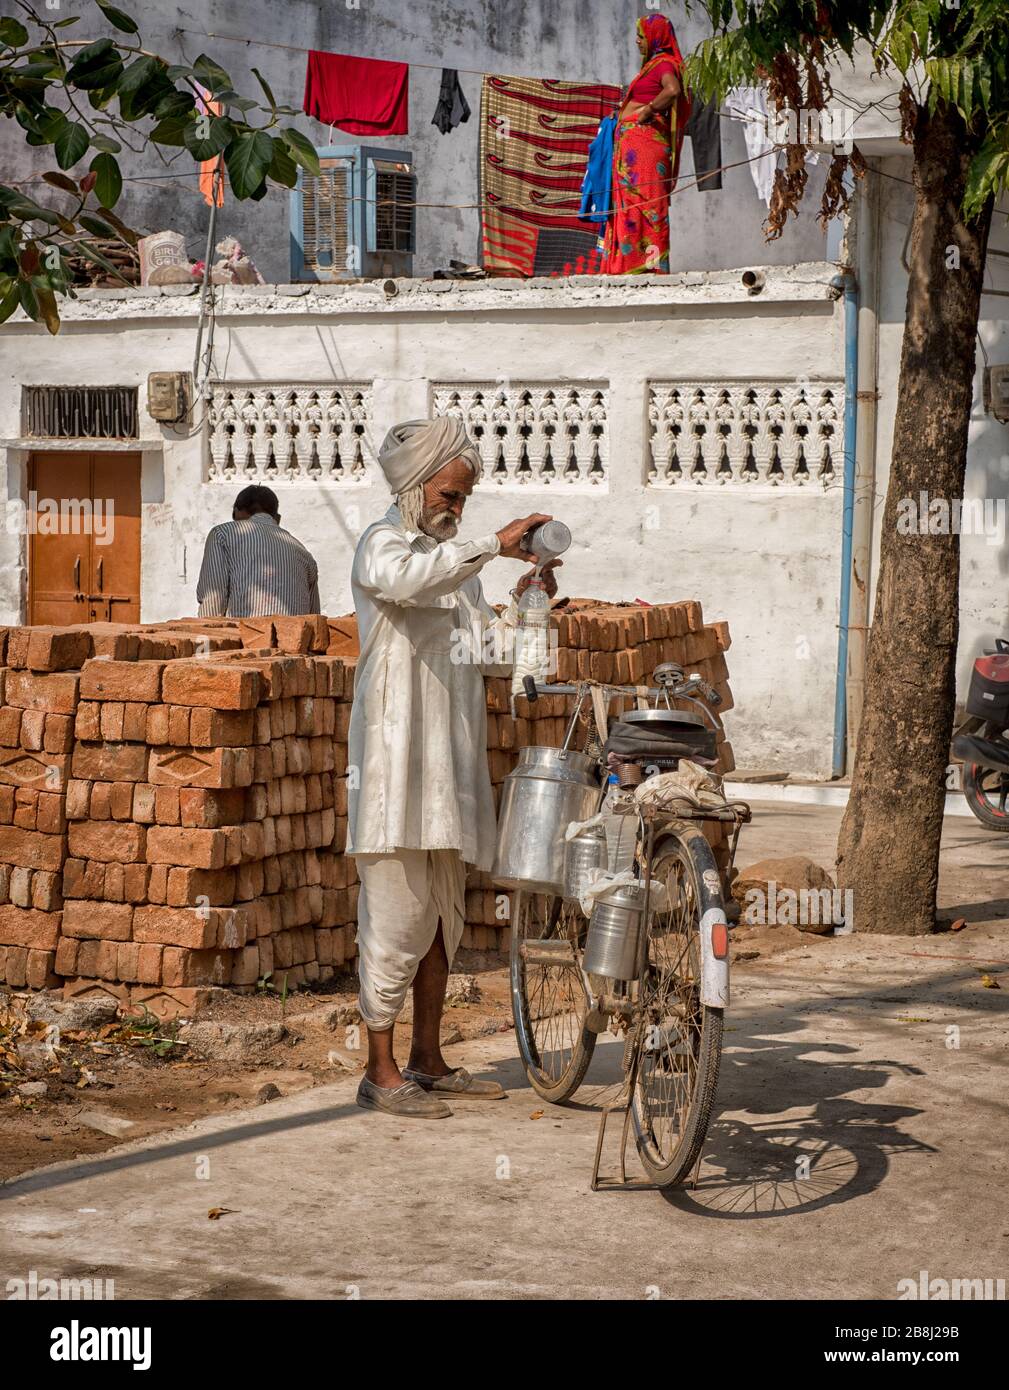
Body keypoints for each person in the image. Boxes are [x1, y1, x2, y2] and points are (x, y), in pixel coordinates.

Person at [347, 417, 561, 1119]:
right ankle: (378, 1073)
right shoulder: (385, 546)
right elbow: (408, 582)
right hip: (393, 767)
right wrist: (490, 545)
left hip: (449, 764)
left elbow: (496, 657)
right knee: (396, 919)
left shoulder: (460, 574)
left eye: (464, 500)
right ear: (414, 486)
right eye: (448, 495)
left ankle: (427, 1059)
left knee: (443, 918)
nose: (455, 509)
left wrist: (531, 602)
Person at [602, 13, 692, 276]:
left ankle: (648, 267)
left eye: (641, 36)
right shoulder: (652, 66)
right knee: (632, 205)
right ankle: (631, 265)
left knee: (646, 204)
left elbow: (673, 90)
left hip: (644, 147)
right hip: (633, 145)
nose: (637, 41)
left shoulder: (664, 64)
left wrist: (647, 111)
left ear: (655, 38)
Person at [195, 484, 321, 618]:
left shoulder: (222, 535)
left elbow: (213, 602)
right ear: (277, 518)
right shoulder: (303, 553)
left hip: (243, 636)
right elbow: (313, 618)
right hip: (293, 637)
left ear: (237, 511)